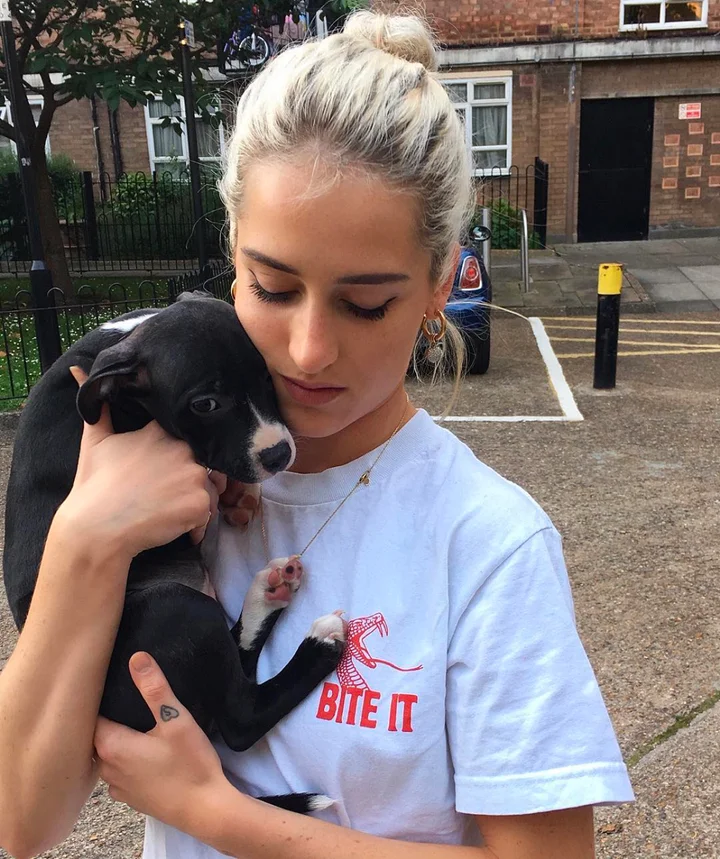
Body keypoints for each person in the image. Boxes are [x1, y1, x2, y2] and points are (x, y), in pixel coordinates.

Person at [0, 10, 634, 859]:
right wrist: (86, 539)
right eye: (271, 287)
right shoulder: (149, 478)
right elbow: (22, 822)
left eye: (364, 303)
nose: (308, 350)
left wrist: (220, 815)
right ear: (233, 251)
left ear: (439, 281)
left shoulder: (486, 546)